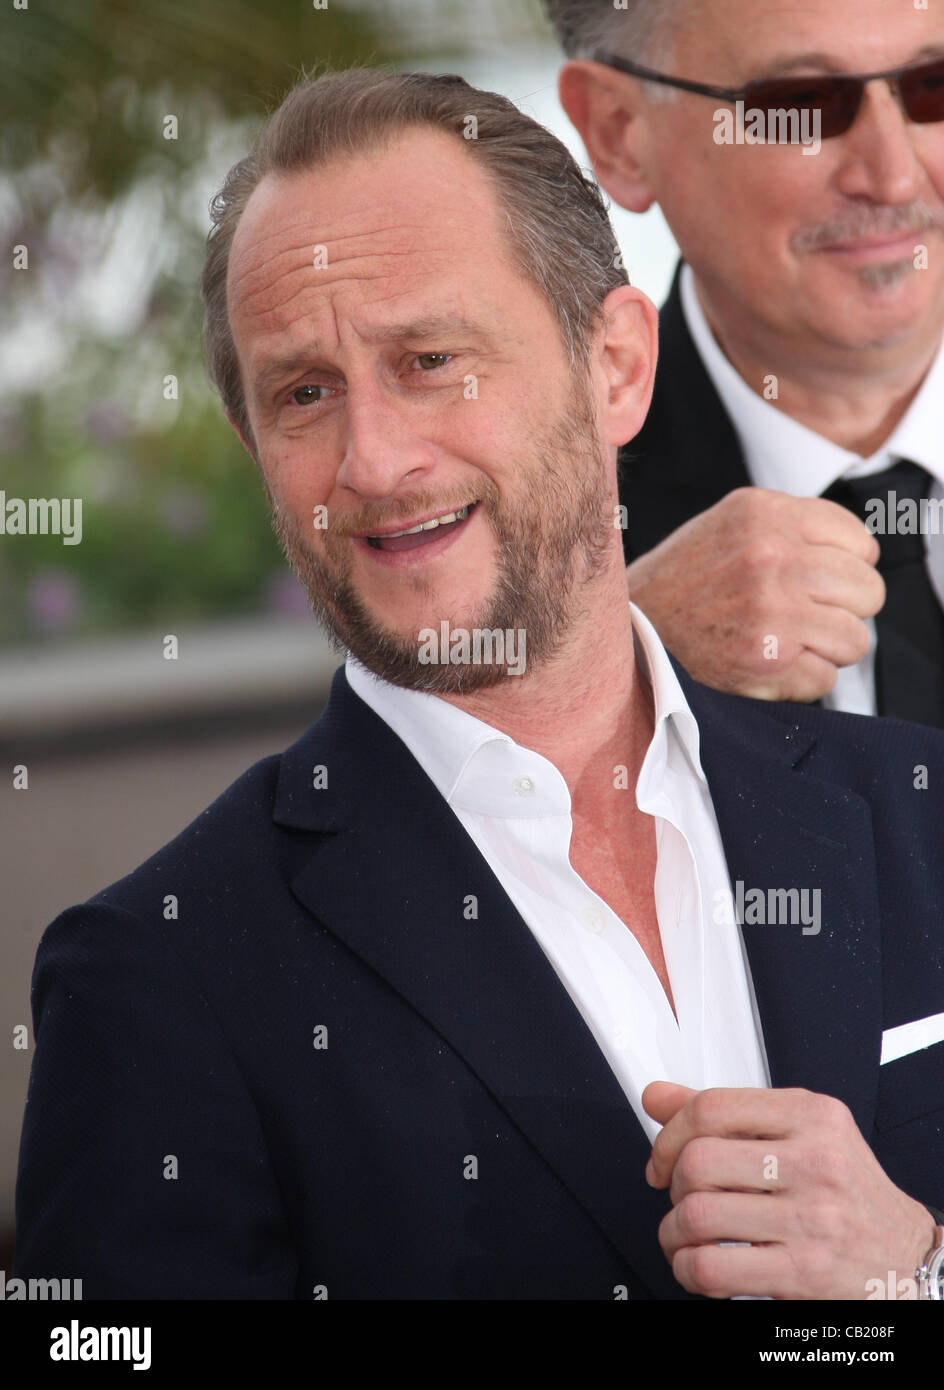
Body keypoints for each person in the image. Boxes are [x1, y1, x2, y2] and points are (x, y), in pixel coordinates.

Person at [13, 69, 944, 1301]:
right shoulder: (158, 981)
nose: (374, 460)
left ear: (613, 366)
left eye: (430, 359)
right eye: (303, 393)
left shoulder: (914, 813)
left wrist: (913, 1269)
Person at [547, 0, 944, 725]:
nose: (893, 179)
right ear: (618, 134)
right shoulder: (528, 518)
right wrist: (619, 667)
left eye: (935, 85)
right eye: (802, 104)